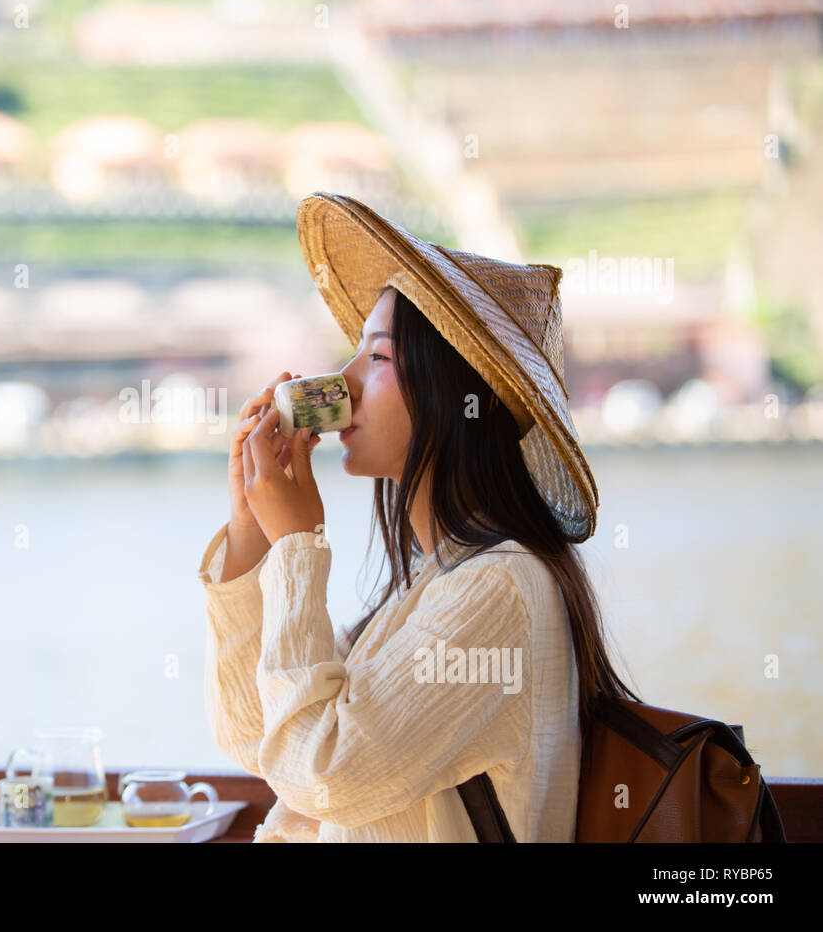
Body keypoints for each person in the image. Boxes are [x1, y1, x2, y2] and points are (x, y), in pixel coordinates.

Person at [197, 192, 638, 842]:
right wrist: (250, 535)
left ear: (452, 393)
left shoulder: (498, 590)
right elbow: (259, 736)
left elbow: (323, 772)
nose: (340, 383)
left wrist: (298, 544)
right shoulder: (430, 587)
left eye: (376, 357)